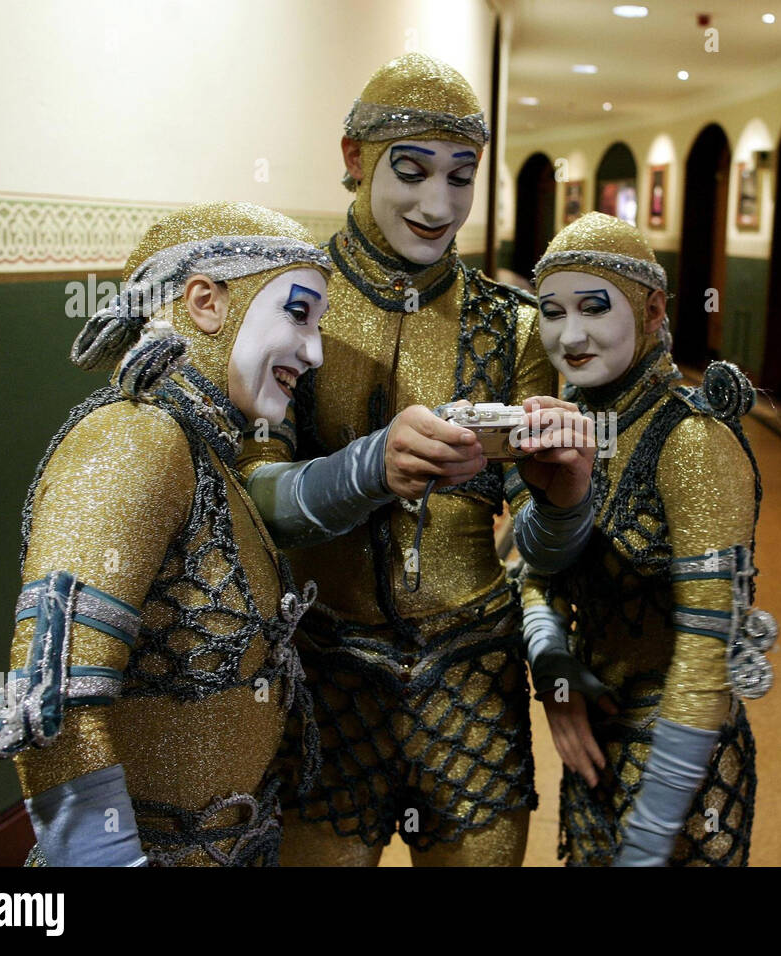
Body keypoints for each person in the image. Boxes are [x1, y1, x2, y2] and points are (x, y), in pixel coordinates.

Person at [238, 53, 596, 866]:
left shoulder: (511, 327)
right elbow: (254, 504)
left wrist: (566, 498)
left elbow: (544, 556)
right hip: (327, 676)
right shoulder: (294, 303)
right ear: (353, 159)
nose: (439, 206)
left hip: (474, 676)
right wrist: (368, 468)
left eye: (462, 177)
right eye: (412, 170)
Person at [0, 201, 332, 866]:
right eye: (299, 314)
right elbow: (57, 710)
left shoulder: (210, 448)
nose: (315, 350)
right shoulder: (137, 440)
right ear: (205, 303)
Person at [520, 212, 777, 866]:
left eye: (593, 308)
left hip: (683, 764)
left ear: (653, 307)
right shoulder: (572, 425)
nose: (569, 336)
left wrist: (654, 824)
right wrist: (555, 676)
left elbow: (708, 647)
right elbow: (533, 577)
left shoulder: (693, 442)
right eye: (552, 312)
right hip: (593, 753)